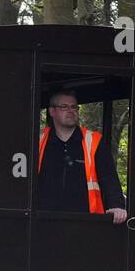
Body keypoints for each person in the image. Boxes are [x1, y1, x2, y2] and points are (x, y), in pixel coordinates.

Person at [36, 91, 127, 223]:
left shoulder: (94, 140)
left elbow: (109, 178)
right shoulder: (38, 140)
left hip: (85, 222)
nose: (70, 110)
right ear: (51, 111)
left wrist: (117, 206)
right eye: (64, 107)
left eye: (74, 107)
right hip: (44, 221)